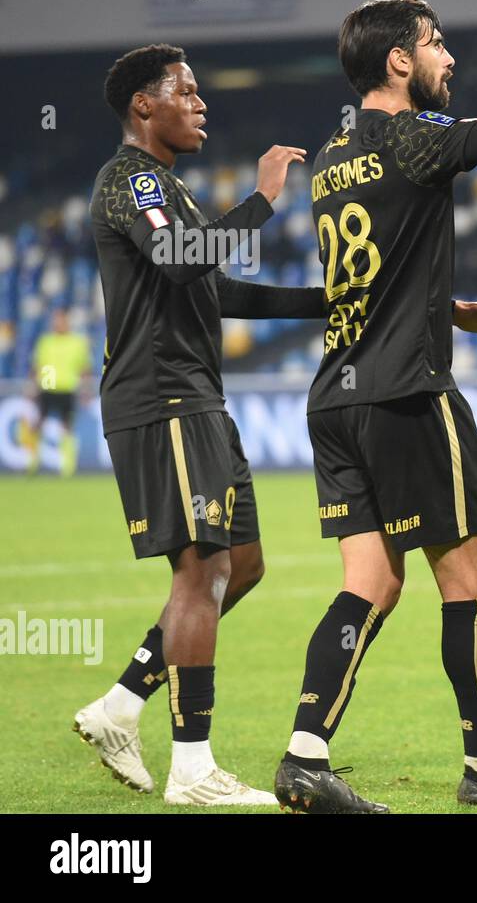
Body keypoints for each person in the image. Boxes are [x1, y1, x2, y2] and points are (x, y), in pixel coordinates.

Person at [273, 0, 477, 814]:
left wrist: (452, 309)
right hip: (409, 393)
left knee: (371, 582)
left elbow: (369, 276)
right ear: (399, 61)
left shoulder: (333, 156)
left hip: (337, 398)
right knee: (471, 571)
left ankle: (306, 756)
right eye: (437, 43)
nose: (449, 57)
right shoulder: (414, 136)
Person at [77, 43, 325, 806]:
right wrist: (262, 201)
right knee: (202, 570)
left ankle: (120, 706)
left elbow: (218, 291)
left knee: (240, 565)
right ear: (143, 106)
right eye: (185, 92)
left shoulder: (171, 190)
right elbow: (182, 261)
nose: (201, 103)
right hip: (163, 401)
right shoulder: (131, 180)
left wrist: (337, 300)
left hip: (197, 401)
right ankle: (192, 768)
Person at [25, 308, 91, 476]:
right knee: (38, 424)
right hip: (47, 386)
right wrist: (32, 387)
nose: (58, 323)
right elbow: (37, 365)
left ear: (67, 322)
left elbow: (84, 368)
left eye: (61, 320)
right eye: (55, 320)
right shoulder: (45, 341)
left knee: (67, 426)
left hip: (67, 388)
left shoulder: (76, 342)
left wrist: (85, 389)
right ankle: (33, 461)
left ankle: (68, 466)